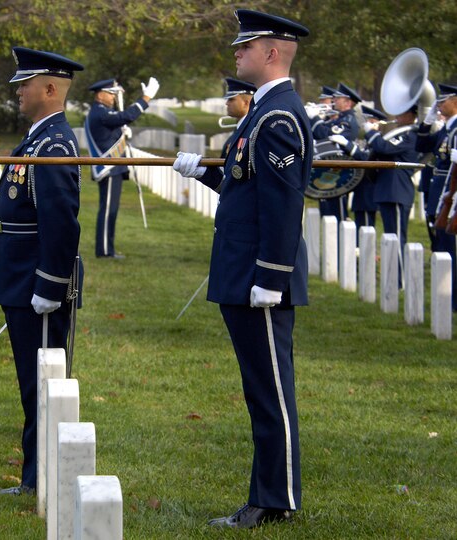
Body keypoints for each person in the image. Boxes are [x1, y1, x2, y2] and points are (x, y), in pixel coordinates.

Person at [172, 8, 312, 529]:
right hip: (242, 272)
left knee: (270, 392)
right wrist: (205, 171)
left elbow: (282, 203)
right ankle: (269, 493)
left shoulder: (277, 117)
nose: (236, 52)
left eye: (245, 46)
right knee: (260, 391)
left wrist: (271, 278)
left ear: (272, 52)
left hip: (259, 277)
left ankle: (274, 498)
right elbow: (246, 186)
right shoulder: (260, 114)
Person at [0, 46, 84, 495]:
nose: (18, 92)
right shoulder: (38, 139)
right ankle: (35, 475)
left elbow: (61, 220)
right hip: (20, 277)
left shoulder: (55, 143)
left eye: (25, 84)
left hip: (35, 283)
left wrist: (50, 284)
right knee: (33, 383)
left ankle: (40, 478)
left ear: (50, 88)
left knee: (43, 385)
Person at [341, 104, 420, 281]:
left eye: (402, 113)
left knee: (398, 238)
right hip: (386, 191)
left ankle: (400, 281)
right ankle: (393, 276)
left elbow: (384, 148)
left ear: (411, 115)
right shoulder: (398, 134)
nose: (397, 115)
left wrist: (370, 131)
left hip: (397, 192)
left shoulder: (410, 135)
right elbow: (376, 153)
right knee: (390, 238)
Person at [86, 76, 159, 258]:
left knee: (111, 210)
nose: (113, 98)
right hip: (109, 168)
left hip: (113, 168)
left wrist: (121, 132)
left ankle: (107, 249)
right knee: (108, 210)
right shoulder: (100, 112)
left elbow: (116, 124)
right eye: (111, 94)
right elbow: (127, 116)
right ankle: (104, 251)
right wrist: (146, 98)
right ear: (101, 95)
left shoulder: (101, 111)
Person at [416, 82, 457, 310]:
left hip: (449, 199)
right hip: (438, 197)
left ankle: (453, 300)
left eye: (444, 101)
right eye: (438, 101)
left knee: (450, 250)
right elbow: (422, 145)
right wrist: (428, 121)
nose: (439, 105)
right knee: (440, 247)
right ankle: (446, 298)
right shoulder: (446, 129)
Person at [308, 82, 362, 221]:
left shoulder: (347, 121)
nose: (334, 100)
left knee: (337, 214)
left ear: (348, 103)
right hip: (329, 168)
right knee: (327, 213)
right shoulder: (340, 119)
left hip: (338, 171)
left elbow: (323, 134)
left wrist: (314, 118)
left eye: (338, 98)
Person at [328, 104, 384, 235]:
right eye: (366, 121)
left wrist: (347, 145)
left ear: (377, 123)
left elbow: (366, 158)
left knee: (366, 229)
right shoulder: (366, 140)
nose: (367, 124)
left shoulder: (378, 140)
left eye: (370, 121)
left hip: (369, 190)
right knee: (360, 227)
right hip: (361, 191)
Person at [218, 77, 256, 158]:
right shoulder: (241, 127)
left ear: (246, 103)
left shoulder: (251, 131)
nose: (227, 103)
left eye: (231, 99)